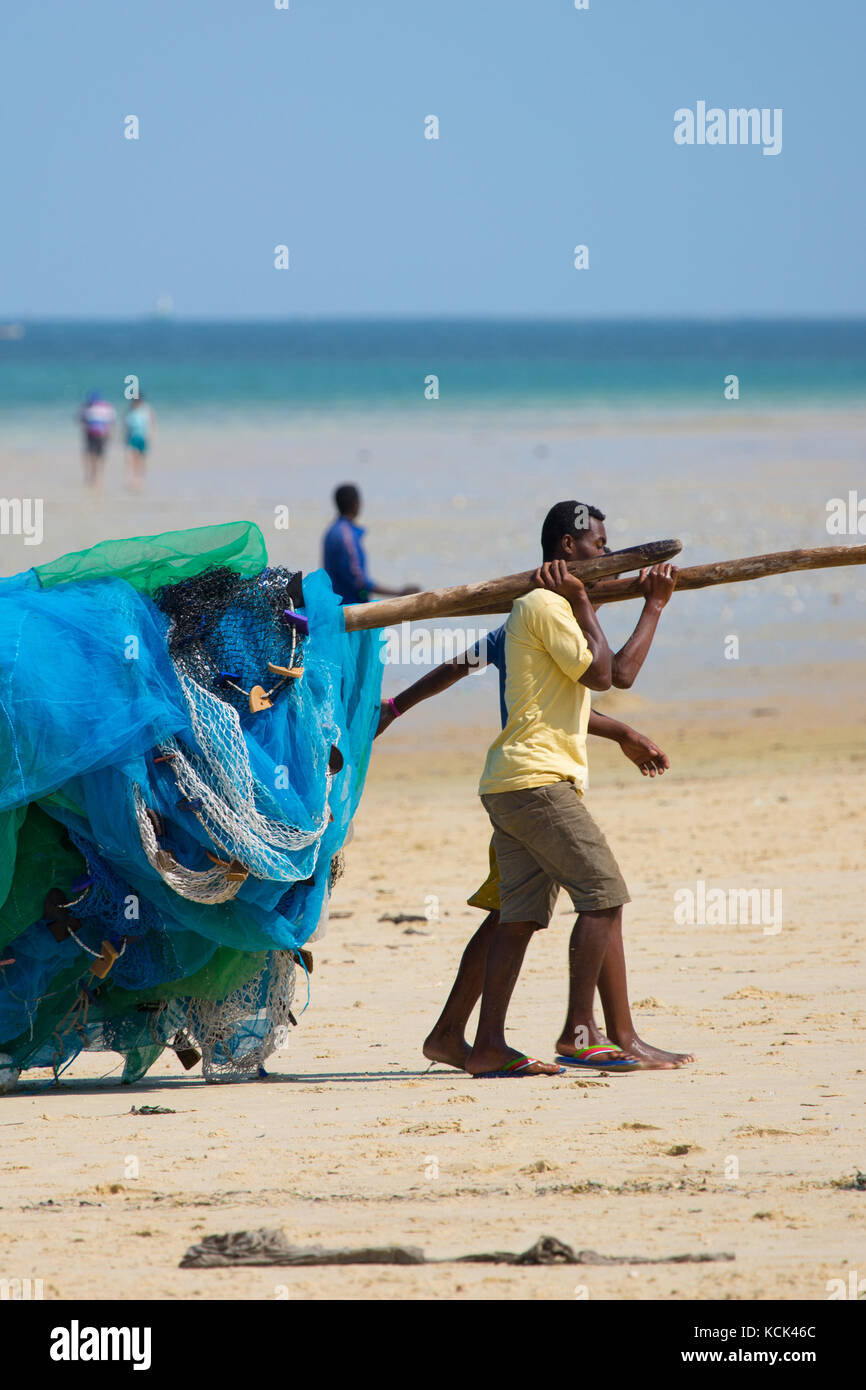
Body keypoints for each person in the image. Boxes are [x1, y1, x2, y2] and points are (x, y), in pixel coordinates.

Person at [377, 500, 693, 1075]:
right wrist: (651, 606)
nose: (609, 553)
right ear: (568, 549)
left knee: (513, 917)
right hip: (536, 783)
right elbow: (611, 675)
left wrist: (398, 706)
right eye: (600, 544)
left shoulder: (530, 614)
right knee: (603, 894)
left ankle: (467, 1040)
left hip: (516, 782)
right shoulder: (549, 606)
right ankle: (585, 1034)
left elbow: (471, 666)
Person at [322, 484, 418, 605]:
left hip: (338, 603)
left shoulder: (332, 530)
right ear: (357, 503)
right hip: (348, 608)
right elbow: (359, 581)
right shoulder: (346, 537)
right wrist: (399, 593)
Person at [78, 391, 116, 490]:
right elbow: (82, 421)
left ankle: (97, 477)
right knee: (92, 457)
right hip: (91, 436)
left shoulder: (104, 408)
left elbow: (110, 423)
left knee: (97, 457)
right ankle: (93, 477)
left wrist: (109, 435)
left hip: (99, 436)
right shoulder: (87, 408)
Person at [124, 394, 156, 492]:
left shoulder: (146, 410)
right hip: (132, 436)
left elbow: (152, 423)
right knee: (131, 458)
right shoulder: (130, 410)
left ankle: (141, 478)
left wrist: (152, 436)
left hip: (143, 437)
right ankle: (133, 479)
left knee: (142, 458)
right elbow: (126, 425)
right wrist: (124, 436)